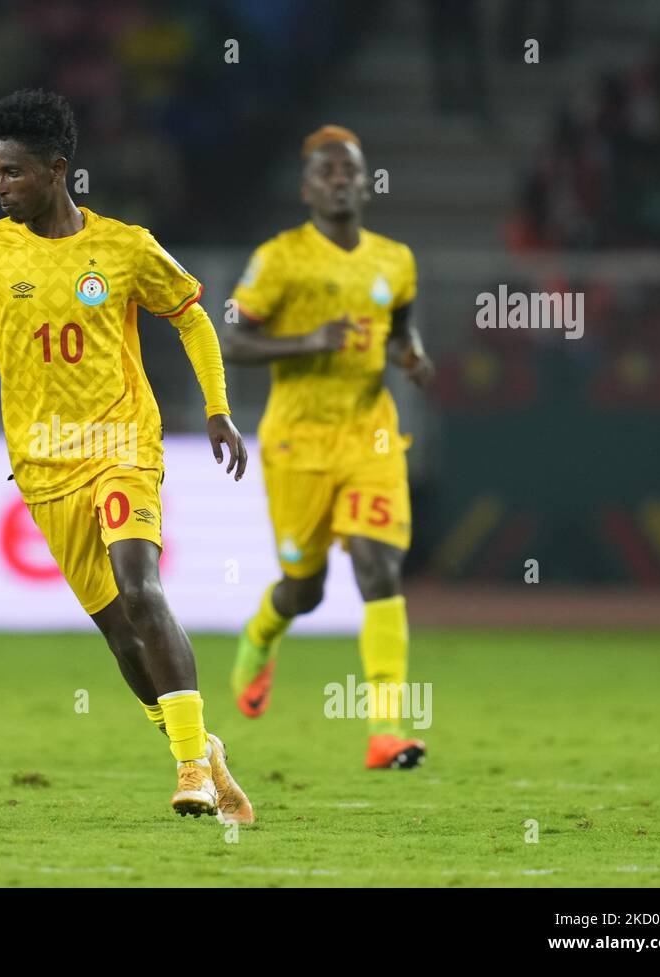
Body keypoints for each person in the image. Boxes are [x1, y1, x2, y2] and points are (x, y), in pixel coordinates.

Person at [0, 89, 254, 820]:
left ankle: (187, 768)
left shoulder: (125, 246)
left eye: (14, 173)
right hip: (41, 465)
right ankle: (202, 747)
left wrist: (217, 406)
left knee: (141, 586)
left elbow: (193, 319)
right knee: (122, 636)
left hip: (122, 444)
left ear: (58, 170)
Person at [223, 125, 435, 770]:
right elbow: (231, 338)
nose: (340, 179)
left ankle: (386, 730)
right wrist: (307, 341)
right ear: (307, 188)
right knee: (305, 589)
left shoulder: (395, 259)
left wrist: (410, 353)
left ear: (367, 182)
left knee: (378, 565)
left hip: (369, 433)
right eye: (327, 172)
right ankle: (262, 634)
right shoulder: (280, 258)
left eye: (350, 170)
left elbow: (400, 323)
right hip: (297, 442)